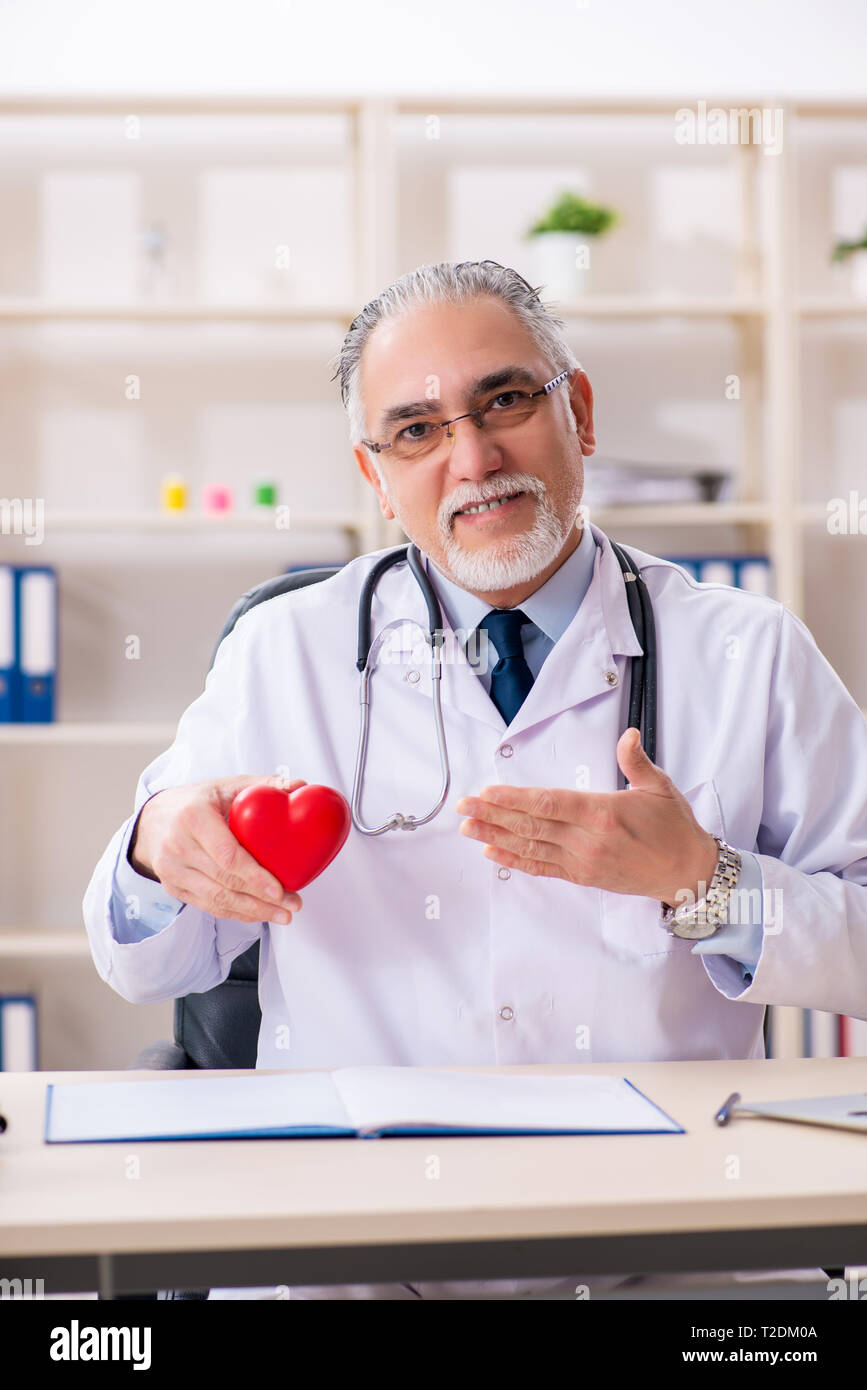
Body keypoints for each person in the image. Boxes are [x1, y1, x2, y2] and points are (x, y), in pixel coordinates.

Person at [83, 260, 867, 1299]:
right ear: (376, 477)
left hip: (672, 1236)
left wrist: (709, 881)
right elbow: (139, 961)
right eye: (415, 429)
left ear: (578, 411)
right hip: (345, 1246)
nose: (473, 456)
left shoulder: (749, 653)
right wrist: (158, 846)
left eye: (504, 399)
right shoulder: (284, 652)